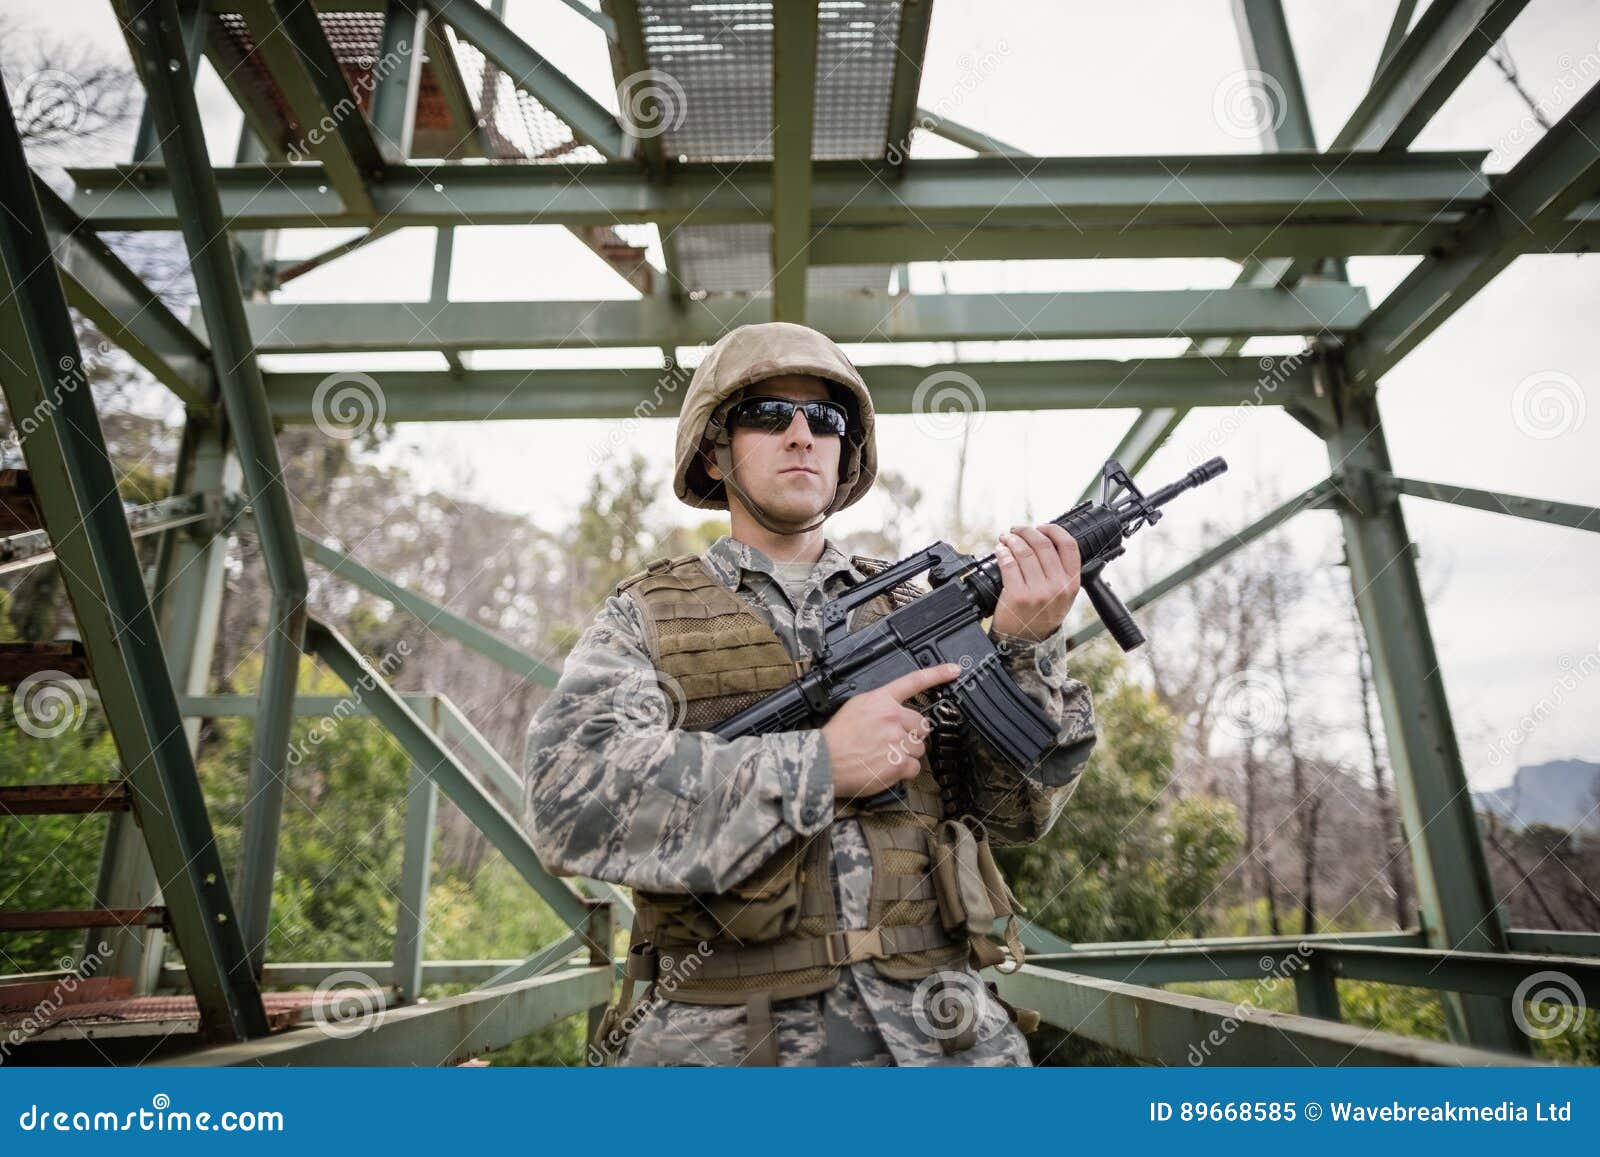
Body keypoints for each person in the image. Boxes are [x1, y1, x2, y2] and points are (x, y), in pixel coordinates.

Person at [522, 321, 1096, 1066]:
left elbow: (1018, 813)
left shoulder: (915, 604)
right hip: (725, 1048)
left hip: (943, 1039)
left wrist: (1024, 646)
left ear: (845, 449)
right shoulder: (648, 617)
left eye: (824, 419)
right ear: (713, 450)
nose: (801, 434)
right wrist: (819, 764)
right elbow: (570, 804)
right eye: (767, 414)